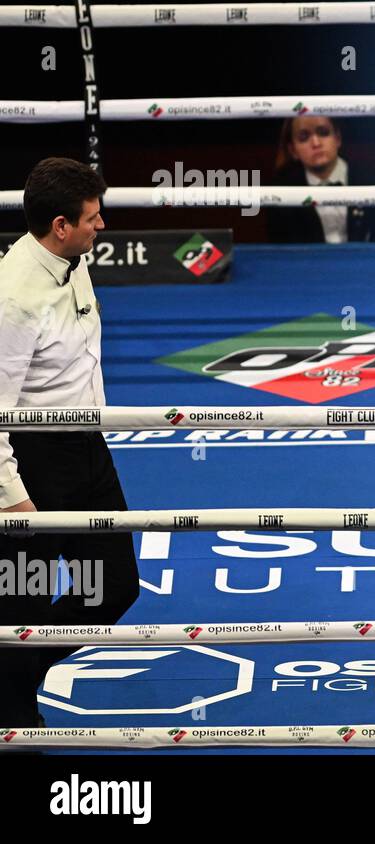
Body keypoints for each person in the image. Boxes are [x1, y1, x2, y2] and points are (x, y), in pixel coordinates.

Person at [0, 158, 140, 727]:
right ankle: (13, 718)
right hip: (32, 463)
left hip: (86, 447)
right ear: (60, 225)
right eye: (91, 217)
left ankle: (12, 677)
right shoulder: (12, 299)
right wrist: (11, 494)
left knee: (113, 588)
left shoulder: (73, 259)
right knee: (25, 601)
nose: (100, 226)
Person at [265, 114, 375, 243]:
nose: (315, 143)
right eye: (304, 137)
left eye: (323, 133)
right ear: (293, 150)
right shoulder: (279, 194)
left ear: (337, 138)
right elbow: (282, 258)